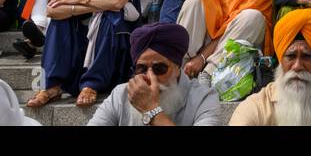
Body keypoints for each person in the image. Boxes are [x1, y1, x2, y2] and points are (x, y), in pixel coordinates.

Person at [28, 0, 140, 108]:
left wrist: (77, 1)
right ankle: (51, 86)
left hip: (117, 45)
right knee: (60, 21)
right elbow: (51, 10)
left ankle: (92, 84)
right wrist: (92, 7)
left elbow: (117, 2)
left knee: (109, 17)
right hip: (82, 45)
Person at [87, 22, 222, 126]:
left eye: (159, 69)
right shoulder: (120, 95)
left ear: (177, 67)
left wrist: (151, 109)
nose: (150, 78)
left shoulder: (204, 98)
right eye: (141, 69)